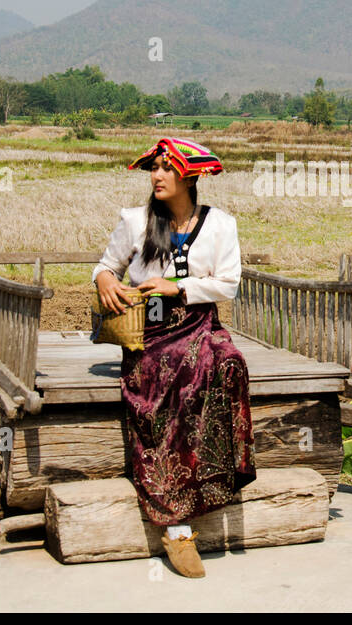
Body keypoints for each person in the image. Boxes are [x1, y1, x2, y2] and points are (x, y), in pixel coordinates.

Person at [91, 136, 256, 578]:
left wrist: (178, 287)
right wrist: (105, 280)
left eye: (167, 168)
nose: (158, 175)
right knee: (178, 376)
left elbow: (228, 284)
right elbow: (106, 265)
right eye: (155, 167)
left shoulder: (221, 224)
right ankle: (177, 526)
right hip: (152, 332)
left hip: (200, 324)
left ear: (190, 176)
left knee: (228, 363)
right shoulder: (136, 221)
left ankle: (217, 475)